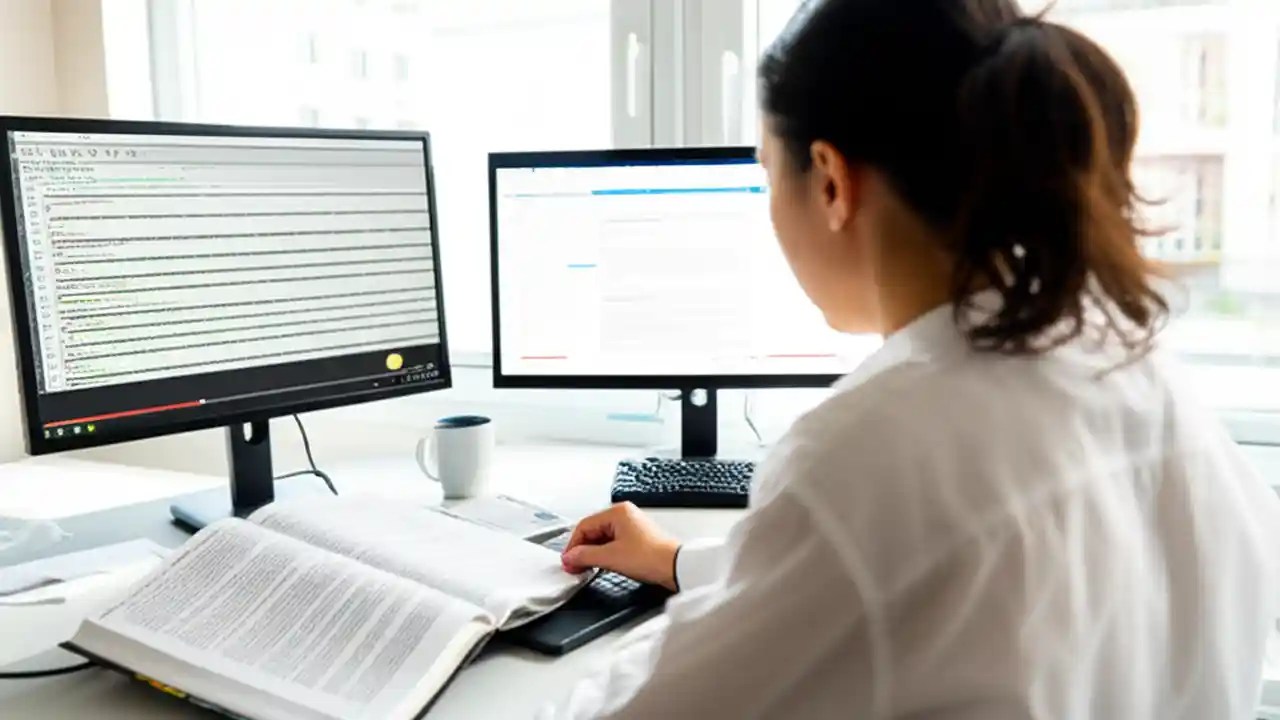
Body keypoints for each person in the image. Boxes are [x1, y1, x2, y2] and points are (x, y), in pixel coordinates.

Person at [539, 1, 1280, 718]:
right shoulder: (1143, 375)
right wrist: (684, 563)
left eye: (767, 173)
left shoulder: (874, 451)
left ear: (830, 181)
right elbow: (900, 577)